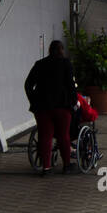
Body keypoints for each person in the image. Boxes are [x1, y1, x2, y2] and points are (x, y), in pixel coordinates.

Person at [24, 41, 77, 175]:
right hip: (62, 106)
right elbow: (71, 85)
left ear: (49, 50)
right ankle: (66, 165)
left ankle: (46, 167)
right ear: (62, 50)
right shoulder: (66, 64)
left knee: (45, 136)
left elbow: (28, 84)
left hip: (42, 107)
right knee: (63, 135)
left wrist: (34, 100)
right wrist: (73, 101)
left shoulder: (40, 64)